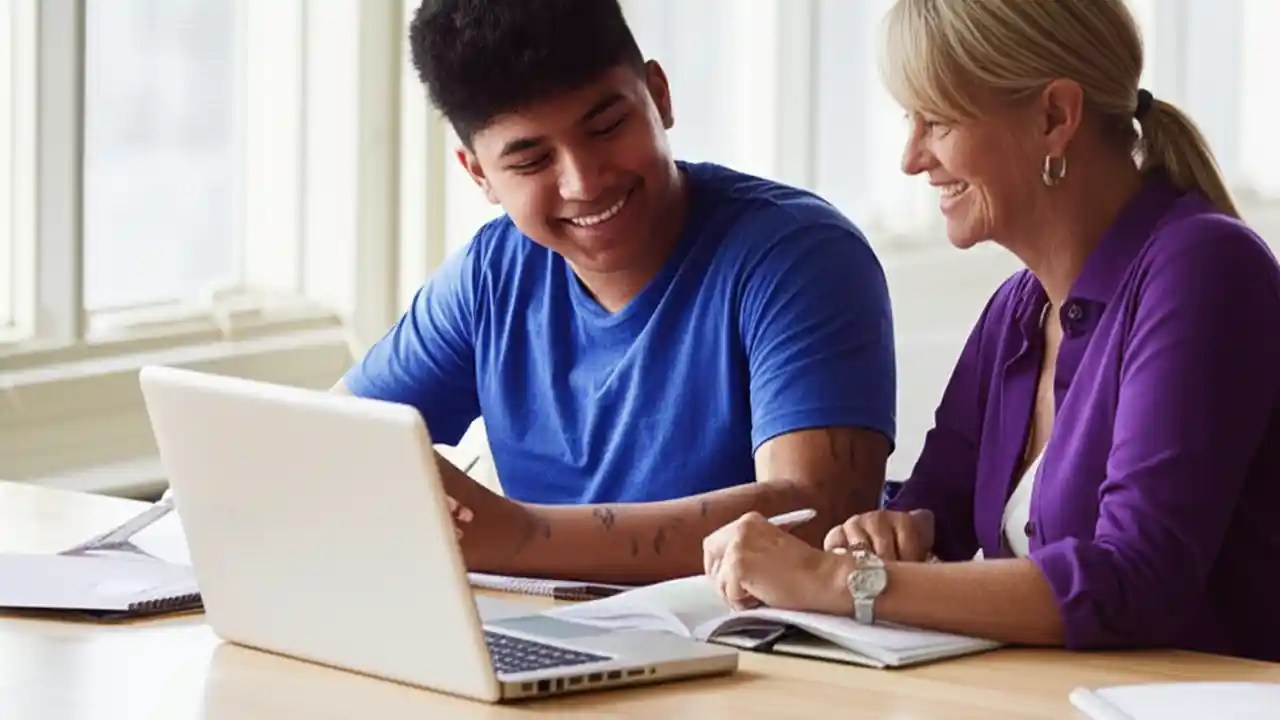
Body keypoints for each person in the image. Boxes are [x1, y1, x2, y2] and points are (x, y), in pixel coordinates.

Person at [703, 0, 1280, 662]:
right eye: (909, 119)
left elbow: (1136, 582)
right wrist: (888, 534)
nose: (911, 158)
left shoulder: (1203, 268)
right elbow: (932, 516)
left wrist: (837, 581)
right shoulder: (1017, 311)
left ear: (1054, 118)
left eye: (938, 120)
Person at [333, 0, 897, 583]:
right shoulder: (490, 276)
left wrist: (518, 536)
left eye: (606, 128)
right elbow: (327, 447)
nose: (584, 181)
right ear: (479, 174)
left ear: (659, 96)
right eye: (531, 161)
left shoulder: (797, 255)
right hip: (546, 643)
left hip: (751, 655)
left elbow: (814, 516)